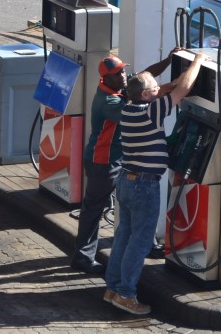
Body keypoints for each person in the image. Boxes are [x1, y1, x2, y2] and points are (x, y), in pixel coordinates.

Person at [103, 51, 209, 316]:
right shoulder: (153, 111)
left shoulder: (128, 109)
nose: (159, 90)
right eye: (154, 89)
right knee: (139, 243)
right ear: (148, 96)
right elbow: (181, 89)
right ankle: (126, 295)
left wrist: (168, 83)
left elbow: (167, 88)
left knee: (123, 237)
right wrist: (197, 61)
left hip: (126, 182)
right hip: (144, 185)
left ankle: (112, 288)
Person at [70, 49, 185, 274]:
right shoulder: (108, 101)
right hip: (103, 162)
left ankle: (149, 245)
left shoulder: (117, 87)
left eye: (124, 71)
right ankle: (82, 257)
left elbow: (145, 76)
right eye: (118, 74)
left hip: (118, 160)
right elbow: (141, 104)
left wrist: (169, 60)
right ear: (107, 78)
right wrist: (172, 88)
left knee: (135, 202)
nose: (124, 76)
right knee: (93, 210)